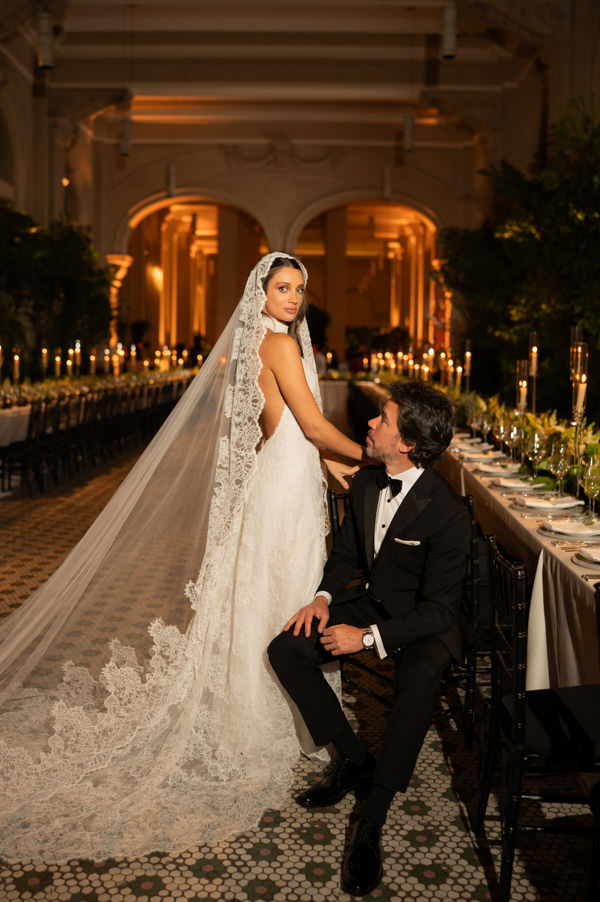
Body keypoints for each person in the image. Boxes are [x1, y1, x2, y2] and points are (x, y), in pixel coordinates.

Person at [0, 252, 365, 863]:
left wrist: (341, 472)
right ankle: (267, 715)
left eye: (299, 288)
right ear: (262, 294)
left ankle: (290, 704)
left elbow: (309, 436)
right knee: (284, 591)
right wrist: (384, 458)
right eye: (282, 288)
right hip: (281, 490)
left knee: (285, 591)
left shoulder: (277, 341)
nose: (293, 298)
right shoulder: (276, 344)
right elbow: (313, 425)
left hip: (290, 478)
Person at [268, 380, 470, 897]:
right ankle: (353, 758)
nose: (370, 424)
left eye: (381, 418)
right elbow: (346, 559)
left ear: (406, 443)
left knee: (421, 678)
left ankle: (373, 818)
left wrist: (368, 637)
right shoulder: (365, 483)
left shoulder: (447, 510)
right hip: (375, 605)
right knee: (287, 647)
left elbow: (440, 609)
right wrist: (322, 599)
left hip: (424, 624)